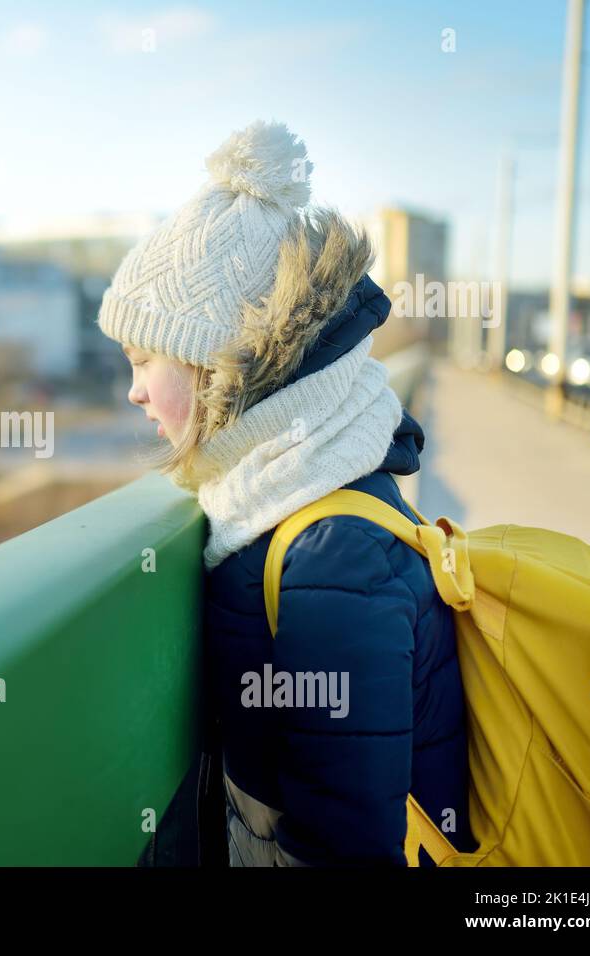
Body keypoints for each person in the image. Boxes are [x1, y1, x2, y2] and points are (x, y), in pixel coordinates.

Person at [100, 120, 477, 867]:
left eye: (144, 360)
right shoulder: (286, 490)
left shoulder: (329, 555)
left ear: (217, 363)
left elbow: (347, 835)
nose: (135, 391)